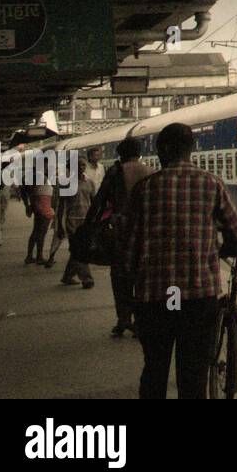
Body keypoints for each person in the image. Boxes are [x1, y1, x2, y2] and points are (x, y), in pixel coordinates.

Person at [122, 123, 237, 399]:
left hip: (157, 298)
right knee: (193, 375)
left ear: (163, 150)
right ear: (191, 149)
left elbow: (130, 249)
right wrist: (224, 251)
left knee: (155, 370)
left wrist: (130, 291)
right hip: (198, 298)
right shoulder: (211, 183)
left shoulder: (145, 188)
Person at [87, 137, 152, 337]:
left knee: (119, 277)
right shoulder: (150, 171)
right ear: (139, 153)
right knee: (141, 277)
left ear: (120, 154)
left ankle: (123, 319)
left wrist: (90, 224)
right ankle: (141, 321)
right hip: (146, 233)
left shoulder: (115, 172)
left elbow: (100, 200)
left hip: (120, 232)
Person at [59, 147, 102, 288]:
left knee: (78, 250)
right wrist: (60, 224)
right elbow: (61, 205)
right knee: (80, 249)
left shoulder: (89, 183)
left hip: (86, 220)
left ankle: (67, 276)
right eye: (78, 165)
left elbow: (94, 201)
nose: (81, 167)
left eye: (83, 165)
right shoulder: (66, 183)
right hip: (72, 221)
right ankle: (87, 279)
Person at [21, 170, 54, 266]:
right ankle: (39, 257)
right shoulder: (40, 176)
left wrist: (28, 205)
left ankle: (30, 256)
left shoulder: (35, 176)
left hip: (39, 205)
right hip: (43, 207)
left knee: (36, 231)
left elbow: (25, 191)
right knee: (41, 233)